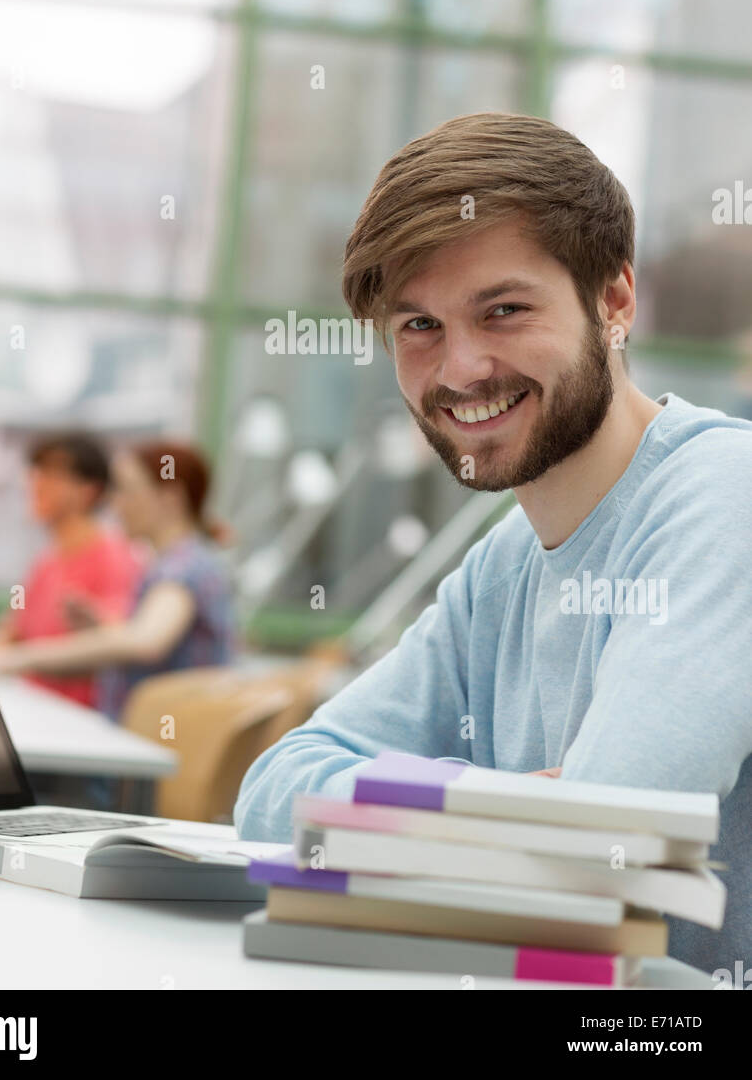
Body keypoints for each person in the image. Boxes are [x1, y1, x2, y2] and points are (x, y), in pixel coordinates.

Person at [233, 110, 752, 977]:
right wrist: (509, 805)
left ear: (614, 300)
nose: (462, 369)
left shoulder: (723, 496)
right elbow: (273, 791)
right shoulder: (504, 563)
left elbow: (607, 851)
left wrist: (424, 819)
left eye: (503, 310)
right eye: (419, 327)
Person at [0, 440, 238, 720]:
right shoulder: (176, 564)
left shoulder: (184, 566)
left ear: (170, 496)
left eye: (126, 491)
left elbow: (147, 641)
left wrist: (20, 658)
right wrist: (99, 626)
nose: (115, 504)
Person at [0, 432, 140, 708]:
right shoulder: (46, 563)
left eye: (53, 474)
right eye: (36, 472)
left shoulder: (114, 557)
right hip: (30, 706)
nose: (37, 484)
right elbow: (12, 633)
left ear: (88, 490)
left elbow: (121, 640)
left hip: (78, 722)